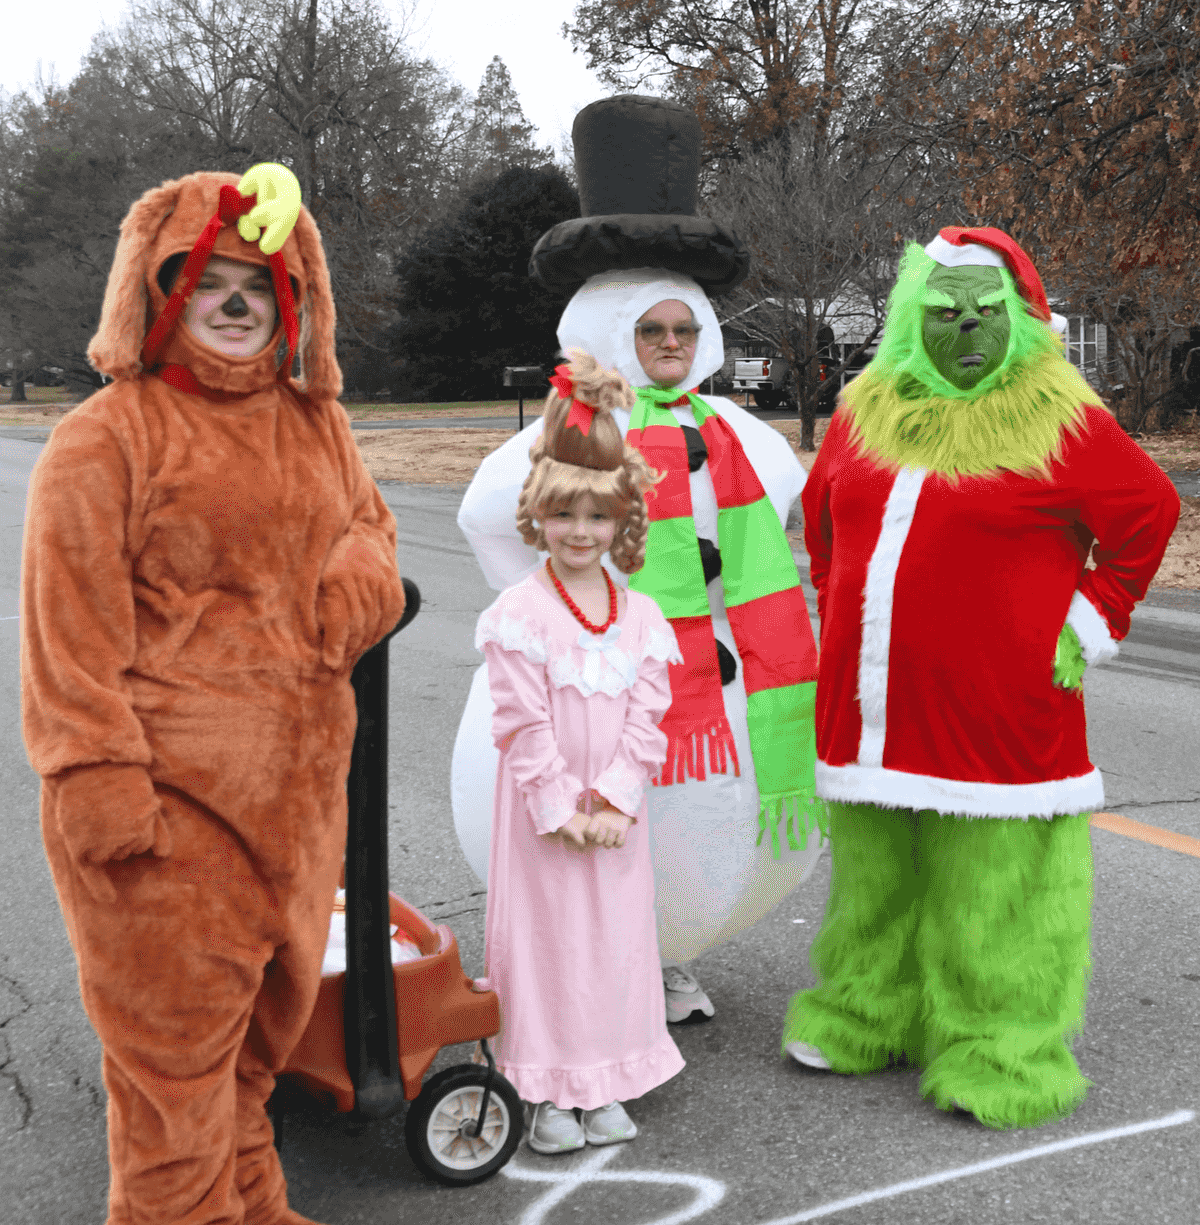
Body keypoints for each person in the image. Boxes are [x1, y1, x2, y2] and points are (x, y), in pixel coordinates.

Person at [21, 165, 406, 1224]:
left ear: (291, 304)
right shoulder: (106, 435)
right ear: (162, 295)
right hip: (166, 813)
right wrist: (98, 779)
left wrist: (355, 580)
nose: (236, 306)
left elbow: (372, 527)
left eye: (257, 287)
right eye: (209, 284)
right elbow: (68, 634)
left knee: (248, 1059)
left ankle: (257, 1205)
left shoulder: (315, 424)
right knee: (172, 1081)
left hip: (297, 806)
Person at [782, 227, 1181, 1129]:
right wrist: (842, 609)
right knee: (874, 873)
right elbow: (823, 517)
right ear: (908, 317)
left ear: (1021, 318)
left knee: (993, 881)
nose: (965, 325)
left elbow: (1148, 514)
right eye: (943, 309)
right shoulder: (865, 408)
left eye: (984, 311)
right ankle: (866, 1009)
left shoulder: (1059, 416)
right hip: (871, 704)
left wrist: (1089, 617)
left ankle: (1002, 1045)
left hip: (1000, 707)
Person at [453, 95, 825, 1026]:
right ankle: (588, 979)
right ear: (614, 329)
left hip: (715, 685)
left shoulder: (744, 436)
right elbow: (488, 518)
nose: (668, 345)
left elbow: (786, 519)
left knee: (696, 837)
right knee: (597, 827)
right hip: (593, 676)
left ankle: (666, 958)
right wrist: (557, 613)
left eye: (683, 330)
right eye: (650, 329)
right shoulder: (572, 430)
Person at [477, 350, 684, 1153]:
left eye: (598, 517)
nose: (580, 532)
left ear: (621, 521)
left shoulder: (641, 616)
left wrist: (619, 799)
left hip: (615, 815)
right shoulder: (520, 613)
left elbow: (648, 715)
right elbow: (520, 723)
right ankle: (548, 1088)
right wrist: (562, 806)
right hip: (547, 817)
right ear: (539, 514)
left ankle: (608, 1079)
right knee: (550, 942)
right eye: (564, 514)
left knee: (613, 942)